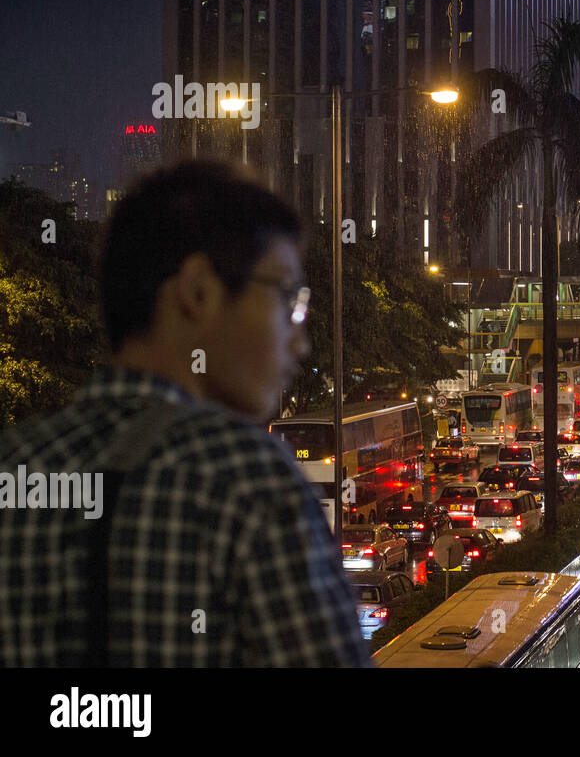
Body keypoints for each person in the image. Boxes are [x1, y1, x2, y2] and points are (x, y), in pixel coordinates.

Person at [0, 161, 371, 666]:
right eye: (288, 299)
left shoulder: (16, 465)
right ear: (198, 291)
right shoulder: (245, 479)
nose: (301, 341)